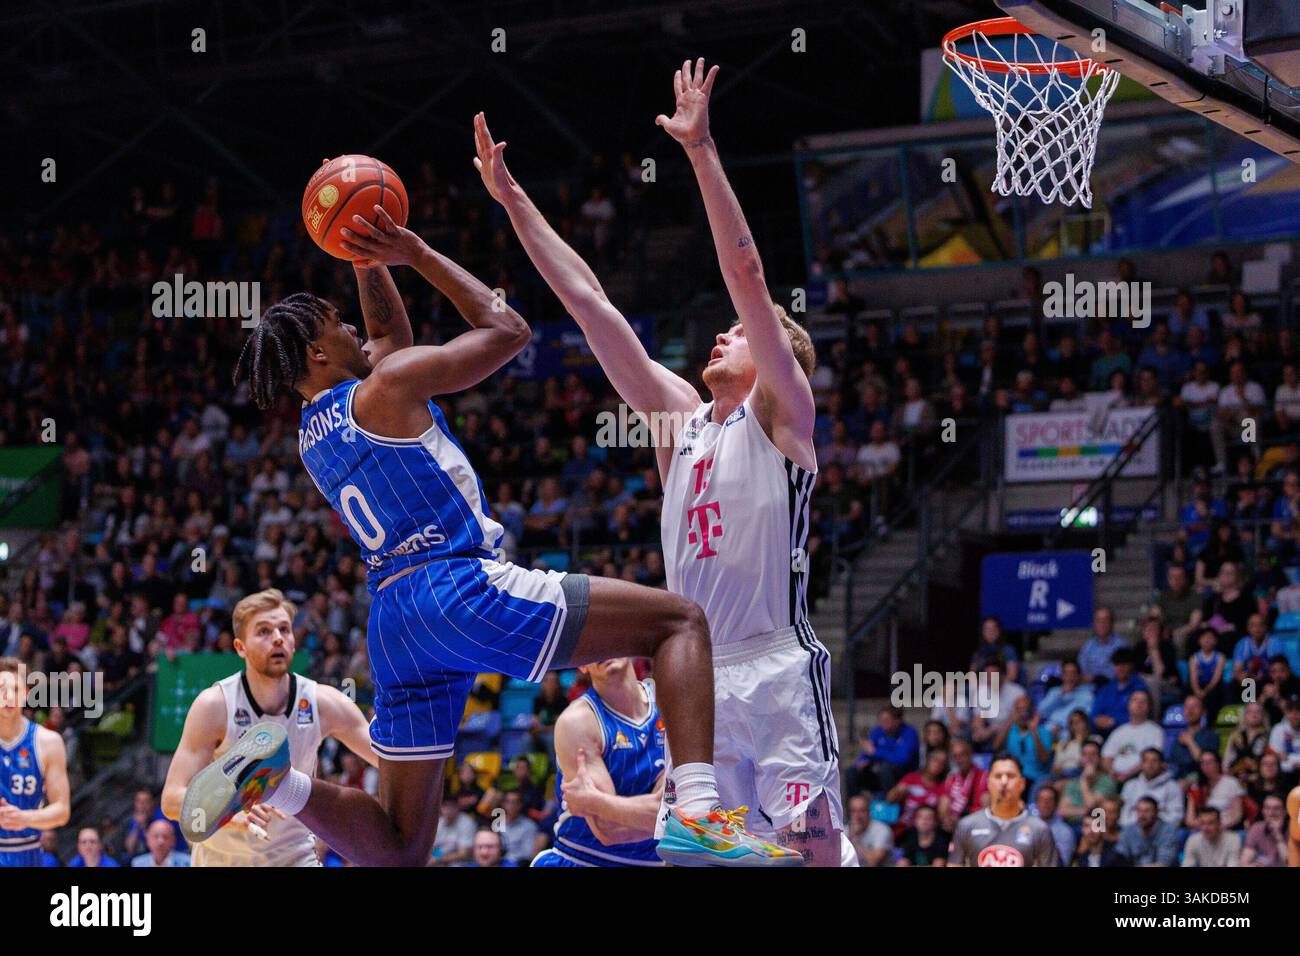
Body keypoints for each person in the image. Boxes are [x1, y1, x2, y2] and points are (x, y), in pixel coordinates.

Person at [184, 185, 794, 866]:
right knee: (679, 622)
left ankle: (282, 783)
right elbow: (507, 329)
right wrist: (413, 252)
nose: (352, 329)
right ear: (318, 355)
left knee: (398, 847)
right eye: (336, 325)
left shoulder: (312, 429)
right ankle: (696, 811)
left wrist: (364, 254)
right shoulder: (384, 389)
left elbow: (386, 338)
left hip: (393, 622)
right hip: (459, 588)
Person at [473, 61, 839, 864]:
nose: (720, 334)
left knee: (813, 856)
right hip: (695, 677)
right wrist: (515, 203)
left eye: (736, 333)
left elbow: (746, 272)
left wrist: (702, 150)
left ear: (781, 357)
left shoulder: (782, 413)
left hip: (775, 664)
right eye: (723, 330)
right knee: (694, 855)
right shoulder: (678, 421)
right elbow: (590, 302)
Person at [163, 589, 378, 866]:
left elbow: (388, 761)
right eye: (264, 631)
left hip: (294, 857)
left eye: (284, 629)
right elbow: (171, 800)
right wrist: (228, 811)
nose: (277, 638)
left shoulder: (322, 702)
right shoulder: (214, 706)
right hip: (221, 860)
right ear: (240, 647)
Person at [532, 657, 665, 867]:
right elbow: (609, 830)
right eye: (594, 648)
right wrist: (659, 816)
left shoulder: (670, 705)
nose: (604, 651)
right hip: (581, 859)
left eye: (611, 638)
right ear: (581, 664)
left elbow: (671, 814)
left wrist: (595, 802)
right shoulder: (576, 721)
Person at [0, 658, 70, 866]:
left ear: (27, 693)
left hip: (26, 852)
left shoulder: (48, 742)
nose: (8, 696)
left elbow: (62, 811)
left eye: (15, 688)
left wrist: (24, 818)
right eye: (2, 688)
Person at [948, 754, 1059, 867]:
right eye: (998, 776)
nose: (1004, 781)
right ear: (988, 783)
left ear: (1022, 783)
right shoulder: (967, 825)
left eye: (1010, 776)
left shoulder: (1040, 829)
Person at [1101, 690, 1164, 783]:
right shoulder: (1119, 731)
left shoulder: (1155, 731)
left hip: (1141, 779)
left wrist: (1127, 775)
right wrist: (1111, 772)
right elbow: (1106, 757)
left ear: (1149, 706)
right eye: (1135, 700)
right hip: (1113, 778)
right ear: (1128, 705)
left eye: (1143, 701)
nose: (1139, 704)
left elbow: (1153, 760)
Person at [1118, 749, 1184, 827]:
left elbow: (1177, 817)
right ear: (1141, 764)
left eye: (1154, 761)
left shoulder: (1173, 787)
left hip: (1161, 832)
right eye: (1146, 761)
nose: (1150, 764)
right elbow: (1123, 815)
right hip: (1133, 830)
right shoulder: (1130, 785)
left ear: (1162, 764)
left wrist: (1152, 822)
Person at [1037, 660, 1093, 740]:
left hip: (1070, 731)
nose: (1069, 676)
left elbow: (1084, 718)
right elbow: (1041, 711)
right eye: (1066, 673)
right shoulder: (1054, 691)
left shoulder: (1087, 694)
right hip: (1049, 729)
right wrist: (1059, 694)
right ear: (1062, 675)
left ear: (1078, 675)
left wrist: (1063, 726)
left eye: (1073, 673)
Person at [1116, 796, 1179, 867]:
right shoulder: (1128, 831)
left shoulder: (1168, 831)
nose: (1142, 815)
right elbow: (1120, 858)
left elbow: (1164, 864)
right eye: (1139, 811)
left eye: (1146, 811)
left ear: (1156, 812)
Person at [843, 794, 893, 867]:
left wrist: (855, 838)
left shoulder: (882, 830)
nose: (858, 815)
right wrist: (849, 837)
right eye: (853, 811)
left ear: (869, 812)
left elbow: (873, 862)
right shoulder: (844, 832)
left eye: (862, 810)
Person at [1031, 784, 1075, 867]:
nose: (1045, 804)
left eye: (1049, 800)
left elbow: (1063, 863)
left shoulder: (1065, 831)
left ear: (1056, 804)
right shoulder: (1028, 826)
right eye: (1042, 799)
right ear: (1036, 803)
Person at [1241, 793, 1288, 866]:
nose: (1271, 813)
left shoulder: (1294, 830)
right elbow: (1244, 862)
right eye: (1267, 808)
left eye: (1276, 808)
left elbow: (1289, 862)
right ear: (1263, 811)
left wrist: (1278, 836)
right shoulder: (1257, 828)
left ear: (1285, 811)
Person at [430, 793, 475, 866]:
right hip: (442, 861)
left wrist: (439, 860)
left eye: (451, 806)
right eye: (445, 806)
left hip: (462, 862)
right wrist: (436, 858)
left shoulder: (466, 822)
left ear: (457, 807)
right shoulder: (439, 823)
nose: (448, 810)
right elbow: (438, 848)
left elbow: (465, 854)